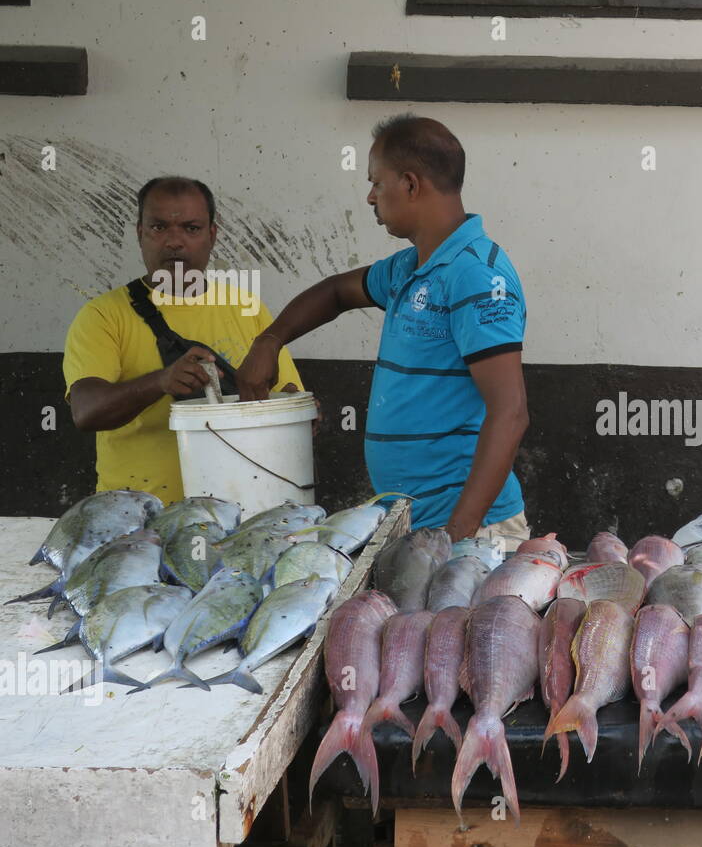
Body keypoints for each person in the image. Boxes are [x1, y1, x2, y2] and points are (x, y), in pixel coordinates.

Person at [235, 115, 530, 548]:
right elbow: (336, 293)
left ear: (410, 184)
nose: (370, 196)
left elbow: (511, 413)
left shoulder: (476, 276)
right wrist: (270, 340)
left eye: (377, 182)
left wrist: (455, 536)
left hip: (469, 533)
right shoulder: (409, 267)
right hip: (410, 524)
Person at [64, 176, 304, 503]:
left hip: (238, 511)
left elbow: (287, 395)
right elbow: (86, 411)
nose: (174, 242)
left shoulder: (248, 309)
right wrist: (160, 382)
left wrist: (301, 411)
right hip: (139, 524)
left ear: (212, 235)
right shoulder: (103, 316)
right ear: (140, 233)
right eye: (159, 227)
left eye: (191, 228)